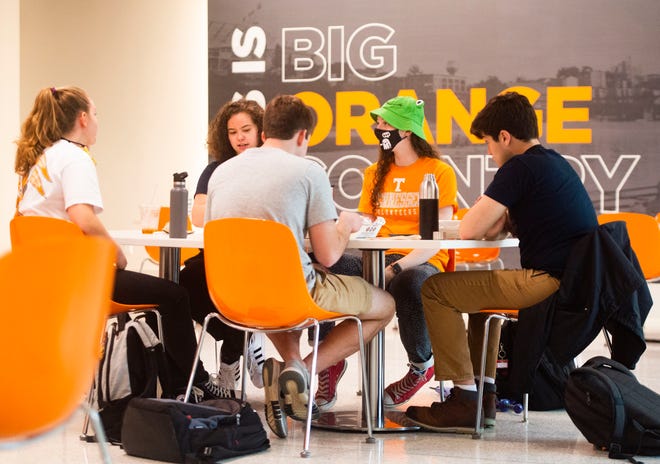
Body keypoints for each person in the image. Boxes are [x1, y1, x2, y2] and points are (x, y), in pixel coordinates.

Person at [14, 86, 225, 403]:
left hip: (52, 277)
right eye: (96, 114)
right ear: (83, 118)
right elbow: (82, 217)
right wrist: (117, 255)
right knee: (175, 295)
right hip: (80, 279)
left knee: (161, 296)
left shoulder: (43, 159)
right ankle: (193, 384)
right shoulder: (74, 158)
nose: (98, 121)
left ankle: (175, 384)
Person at [405, 92, 598, 431]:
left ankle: (464, 401)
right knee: (480, 303)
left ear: (506, 137)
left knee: (435, 289)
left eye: (489, 143)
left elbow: (470, 228)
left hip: (546, 282)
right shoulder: (552, 162)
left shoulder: (519, 166)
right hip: (572, 284)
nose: (489, 152)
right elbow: (494, 229)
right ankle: (484, 396)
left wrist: (488, 205)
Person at [205, 94, 395, 438]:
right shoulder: (308, 171)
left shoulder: (221, 173)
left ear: (264, 134)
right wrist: (345, 225)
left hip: (231, 297)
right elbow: (328, 256)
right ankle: (304, 371)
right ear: (303, 135)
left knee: (274, 291)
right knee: (385, 305)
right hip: (289, 292)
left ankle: (288, 370)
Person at [325, 96, 457, 408]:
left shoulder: (438, 172)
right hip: (376, 257)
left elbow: (434, 239)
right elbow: (366, 227)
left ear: (407, 130)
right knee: (323, 269)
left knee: (408, 283)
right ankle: (326, 362)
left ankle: (421, 366)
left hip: (420, 260)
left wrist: (395, 269)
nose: (378, 128)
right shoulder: (374, 172)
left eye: (384, 123)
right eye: (378, 122)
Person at [179, 99, 266, 396]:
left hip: (258, 258)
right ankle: (244, 340)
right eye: (232, 132)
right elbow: (198, 214)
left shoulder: (272, 167)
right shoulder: (216, 168)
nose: (240, 137)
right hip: (218, 255)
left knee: (245, 286)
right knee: (184, 282)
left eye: (246, 129)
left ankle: (230, 361)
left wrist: (226, 207)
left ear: (261, 131)